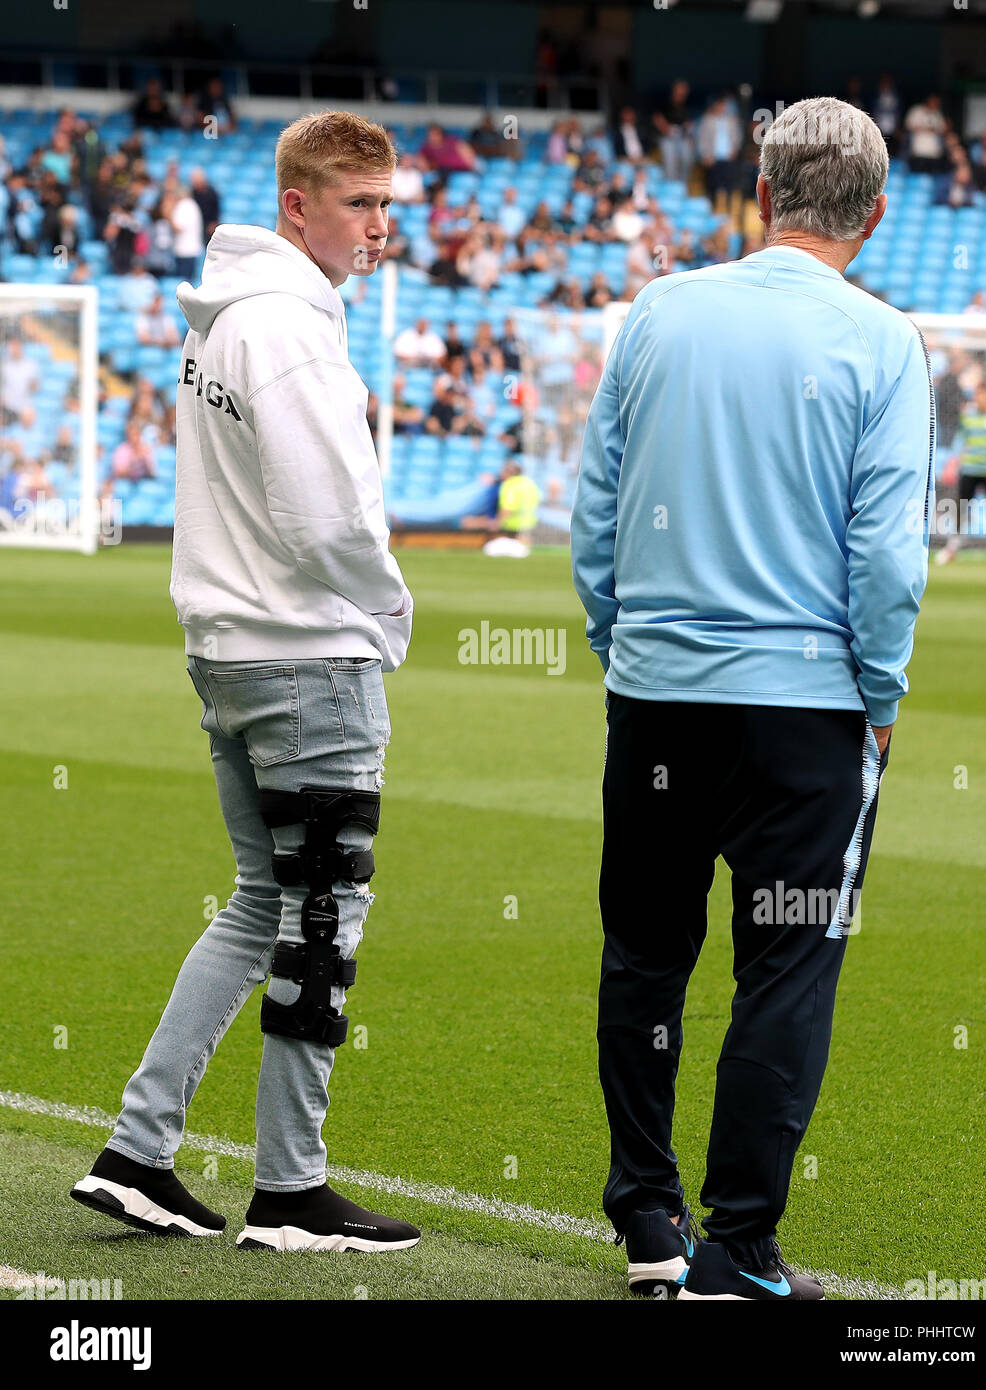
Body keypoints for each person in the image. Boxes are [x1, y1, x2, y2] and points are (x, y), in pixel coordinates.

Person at [571, 96, 933, 1301]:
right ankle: (737, 1244)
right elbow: (884, 559)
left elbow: (595, 514)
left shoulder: (659, 311)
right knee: (784, 965)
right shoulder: (880, 343)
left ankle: (645, 1219)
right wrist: (878, 697)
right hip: (803, 717)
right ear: (873, 214)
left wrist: (622, 644)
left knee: (644, 954)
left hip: (659, 701)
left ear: (759, 191)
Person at [71, 109, 419, 1258]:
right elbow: (327, 519)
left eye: (386, 205)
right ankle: (289, 1190)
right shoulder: (291, 330)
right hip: (304, 655)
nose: (378, 228)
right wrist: (387, 608)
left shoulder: (229, 319)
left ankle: (137, 1151)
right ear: (295, 206)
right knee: (322, 915)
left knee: (263, 900)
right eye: (358, 204)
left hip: (227, 648)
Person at [936, 381, 986, 565]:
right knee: (961, 508)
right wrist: (952, 463)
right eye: (976, 395)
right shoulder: (968, 417)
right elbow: (960, 440)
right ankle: (952, 547)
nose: (978, 399)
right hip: (970, 469)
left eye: (981, 395)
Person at [482, 459, 541, 557]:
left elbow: (508, 509)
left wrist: (497, 522)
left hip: (513, 528)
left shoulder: (510, 485)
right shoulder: (530, 484)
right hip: (531, 524)